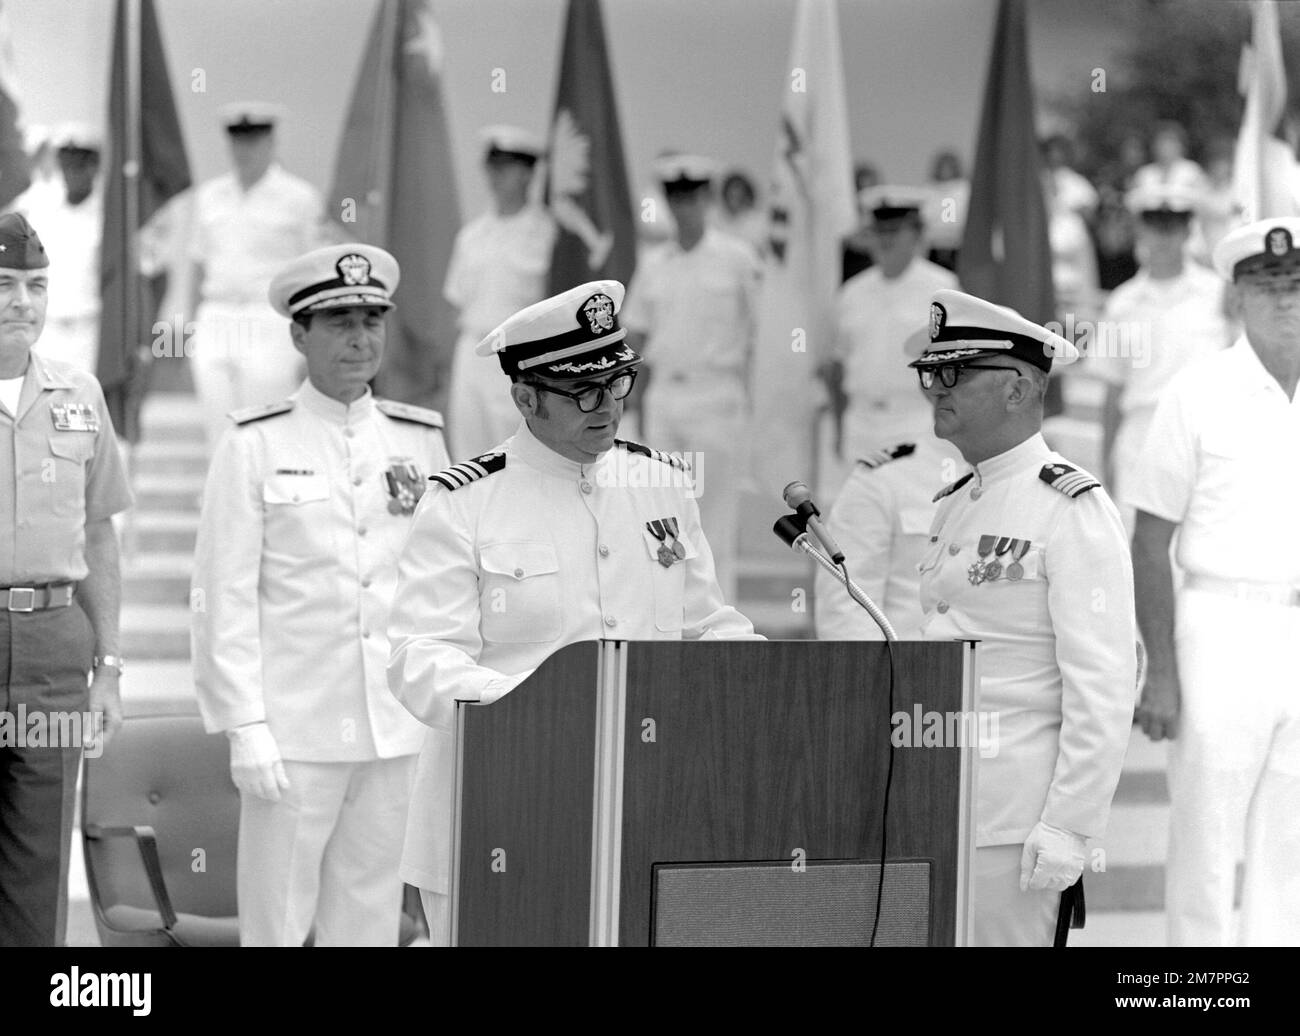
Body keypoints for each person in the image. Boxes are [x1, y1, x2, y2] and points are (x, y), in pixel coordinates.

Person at [387, 279, 759, 945]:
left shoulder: (660, 484)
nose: (608, 406)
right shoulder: (465, 501)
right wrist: (534, 708)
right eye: (584, 390)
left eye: (617, 383)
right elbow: (420, 658)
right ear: (526, 397)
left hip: (641, 810)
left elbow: (704, 624)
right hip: (500, 812)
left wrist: (770, 673)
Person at [190, 243, 448, 946]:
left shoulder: (419, 440)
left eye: (372, 320)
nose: (360, 338)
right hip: (294, 728)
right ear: (299, 336)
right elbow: (222, 595)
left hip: (393, 725)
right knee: (277, 923)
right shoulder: (253, 443)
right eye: (339, 322)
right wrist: (244, 724)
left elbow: (438, 584)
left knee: (367, 922)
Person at [909, 288, 1137, 947]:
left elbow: (1103, 683)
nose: (936, 389)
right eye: (932, 374)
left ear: (1017, 389)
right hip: (938, 797)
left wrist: (1070, 824)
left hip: (1014, 820)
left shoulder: (1069, 506)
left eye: (956, 373)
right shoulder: (958, 499)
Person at [1127, 217, 1300, 947]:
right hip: (1219, 628)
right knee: (1206, 838)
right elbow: (1149, 541)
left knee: (1289, 847)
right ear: (1237, 297)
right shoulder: (1197, 392)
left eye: (1297, 284)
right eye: (1268, 285)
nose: (1286, 299)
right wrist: (1161, 672)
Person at [0, 213, 132, 946]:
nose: (23, 302)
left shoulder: (80, 396)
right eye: (5, 284)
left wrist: (107, 666)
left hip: (54, 649)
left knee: (39, 862)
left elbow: (99, 532)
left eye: (37, 285)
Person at [621, 154, 759, 602]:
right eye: (675, 198)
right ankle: (668, 614)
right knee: (661, 518)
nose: (683, 207)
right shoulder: (653, 262)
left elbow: (762, 335)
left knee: (712, 521)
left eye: (692, 197)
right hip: (665, 397)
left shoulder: (737, 259)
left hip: (715, 396)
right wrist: (633, 402)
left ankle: (718, 622)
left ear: (707, 198)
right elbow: (636, 335)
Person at [187, 102, 325, 446]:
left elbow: (314, 272)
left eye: (253, 141)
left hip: (269, 316)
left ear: (271, 142)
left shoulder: (299, 198)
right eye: (238, 141)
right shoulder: (210, 196)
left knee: (267, 427)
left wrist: (313, 339)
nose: (244, 150)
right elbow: (197, 265)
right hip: (217, 315)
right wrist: (190, 327)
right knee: (218, 428)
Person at [1098, 183, 1230, 527]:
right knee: (1138, 540)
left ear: (1187, 230)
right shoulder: (1121, 303)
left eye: (1173, 227)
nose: (1164, 237)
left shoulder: (1218, 295)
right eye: (1155, 226)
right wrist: (1106, 458)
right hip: (1141, 437)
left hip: (1205, 435)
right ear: (1140, 229)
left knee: (1202, 538)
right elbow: (1113, 387)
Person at [444, 126, 557, 458]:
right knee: (467, 452)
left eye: (505, 168)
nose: (495, 177)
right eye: (492, 167)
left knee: (516, 451)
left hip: (519, 353)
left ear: (528, 173)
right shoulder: (472, 235)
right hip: (471, 349)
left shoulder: (547, 233)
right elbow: (455, 301)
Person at [828, 187, 957, 462]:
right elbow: (838, 367)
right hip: (860, 424)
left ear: (917, 234)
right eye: (879, 231)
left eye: (895, 231)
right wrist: (838, 429)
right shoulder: (852, 292)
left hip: (916, 420)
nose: (885, 240)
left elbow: (958, 365)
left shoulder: (942, 289)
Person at [813, 427, 965, 641]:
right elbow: (846, 606)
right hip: (912, 659)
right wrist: (886, 664)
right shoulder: (885, 476)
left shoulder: (1015, 477)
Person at [13, 125, 103, 375]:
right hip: (45, 329)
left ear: (94, 166)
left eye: (79, 164)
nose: (71, 172)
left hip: (87, 329)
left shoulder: (106, 216)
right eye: (66, 163)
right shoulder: (42, 208)